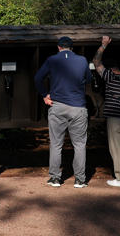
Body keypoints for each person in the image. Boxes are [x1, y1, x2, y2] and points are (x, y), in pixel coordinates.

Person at [34, 36, 91, 188]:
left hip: (57, 106)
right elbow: (89, 79)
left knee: (56, 144)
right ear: (72, 48)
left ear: (59, 47)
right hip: (78, 107)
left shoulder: (52, 60)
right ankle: (80, 180)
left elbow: (38, 78)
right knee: (79, 145)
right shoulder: (83, 61)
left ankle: (55, 178)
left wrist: (44, 95)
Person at [93, 35, 120, 188]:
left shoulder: (110, 77)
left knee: (116, 150)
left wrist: (103, 45)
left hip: (115, 119)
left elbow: (96, 62)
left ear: (110, 68)